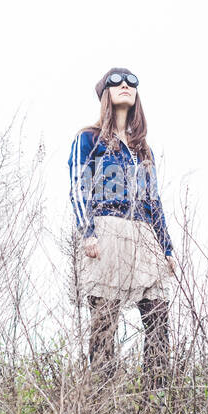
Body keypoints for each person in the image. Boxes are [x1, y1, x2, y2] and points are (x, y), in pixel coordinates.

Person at [68, 68, 178, 390]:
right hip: (105, 230)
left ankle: (155, 401)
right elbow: (78, 187)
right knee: (104, 320)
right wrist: (86, 232)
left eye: (132, 82)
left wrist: (166, 248)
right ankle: (103, 402)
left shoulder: (142, 148)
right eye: (117, 81)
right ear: (106, 92)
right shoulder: (88, 138)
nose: (126, 85)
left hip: (143, 235)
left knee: (158, 315)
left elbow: (153, 200)